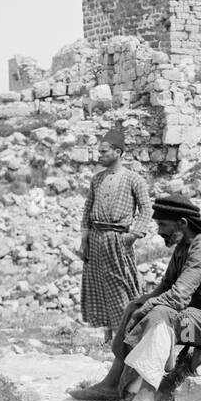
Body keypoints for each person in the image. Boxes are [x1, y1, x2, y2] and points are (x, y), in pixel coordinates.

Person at [69, 193, 201, 401]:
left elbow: (177, 297)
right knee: (136, 305)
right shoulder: (183, 248)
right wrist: (139, 308)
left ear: (182, 224)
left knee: (161, 316)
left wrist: (148, 309)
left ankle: (145, 400)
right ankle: (113, 383)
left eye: (162, 225)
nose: (158, 231)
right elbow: (164, 288)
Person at [78, 129, 153, 343]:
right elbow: (87, 211)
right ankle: (108, 337)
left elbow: (146, 210)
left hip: (118, 238)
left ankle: (128, 335)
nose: (98, 155)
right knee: (99, 285)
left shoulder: (133, 179)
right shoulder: (96, 179)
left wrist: (133, 235)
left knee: (122, 285)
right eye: (98, 151)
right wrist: (84, 241)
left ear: (117, 152)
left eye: (103, 151)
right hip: (95, 238)